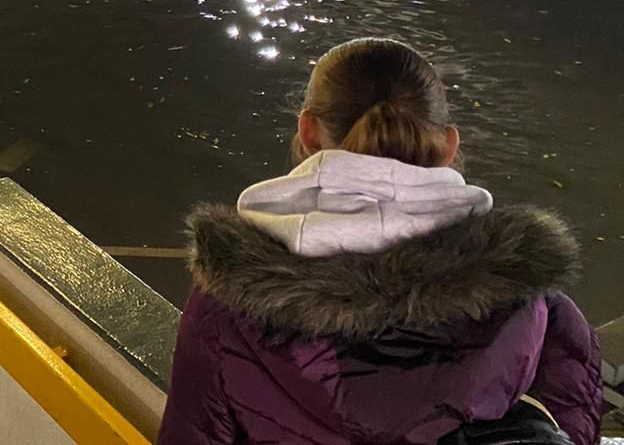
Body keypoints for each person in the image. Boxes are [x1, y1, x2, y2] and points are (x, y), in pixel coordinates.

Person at [157, 38, 603, 445]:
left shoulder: (230, 300)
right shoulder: (527, 290)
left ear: (309, 133)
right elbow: (574, 416)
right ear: (448, 146)